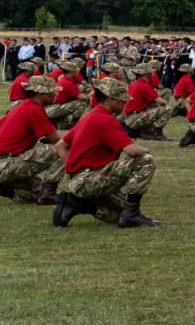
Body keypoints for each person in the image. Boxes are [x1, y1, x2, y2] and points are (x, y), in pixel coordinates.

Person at [54, 76, 159, 228]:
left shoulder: (89, 116)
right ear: (110, 99)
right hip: (89, 179)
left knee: (119, 212)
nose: (125, 103)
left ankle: (76, 204)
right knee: (145, 160)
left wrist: (73, 170)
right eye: (121, 100)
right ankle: (131, 215)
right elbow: (131, 151)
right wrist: (146, 148)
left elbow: (60, 145)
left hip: (81, 179)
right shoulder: (106, 119)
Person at [0, 79, 63, 206]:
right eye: (52, 92)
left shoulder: (21, 106)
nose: (55, 95)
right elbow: (57, 141)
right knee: (58, 149)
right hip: (7, 164)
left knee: (36, 192)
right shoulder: (35, 110)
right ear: (41, 93)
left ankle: (0, 189)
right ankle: (49, 194)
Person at [117, 65, 171, 140]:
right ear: (146, 74)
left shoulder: (134, 84)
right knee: (167, 109)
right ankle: (157, 133)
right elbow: (161, 102)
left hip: (129, 118)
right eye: (150, 73)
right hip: (135, 118)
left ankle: (142, 132)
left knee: (153, 106)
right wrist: (163, 104)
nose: (151, 74)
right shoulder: (144, 86)